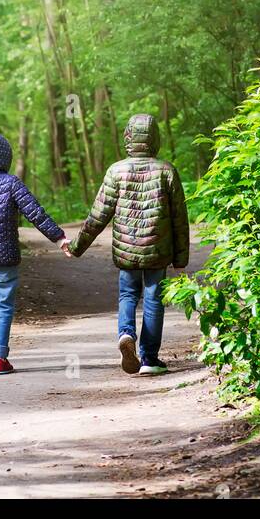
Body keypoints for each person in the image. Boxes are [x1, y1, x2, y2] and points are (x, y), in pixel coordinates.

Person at [70, 112, 189, 376]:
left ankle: (126, 335)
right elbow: (180, 218)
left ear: (128, 138)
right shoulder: (167, 171)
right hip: (157, 251)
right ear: (154, 138)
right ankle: (149, 358)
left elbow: (98, 214)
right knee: (154, 299)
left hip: (126, 252)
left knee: (127, 295)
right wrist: (181, 258)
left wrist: (77, 246)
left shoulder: (116, 171)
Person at [0, 127, 71, 374]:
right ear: (4, 156)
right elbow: (35, 213)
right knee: (3, 303)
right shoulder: (11, 184)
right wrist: (59, 237)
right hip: (5, 254)